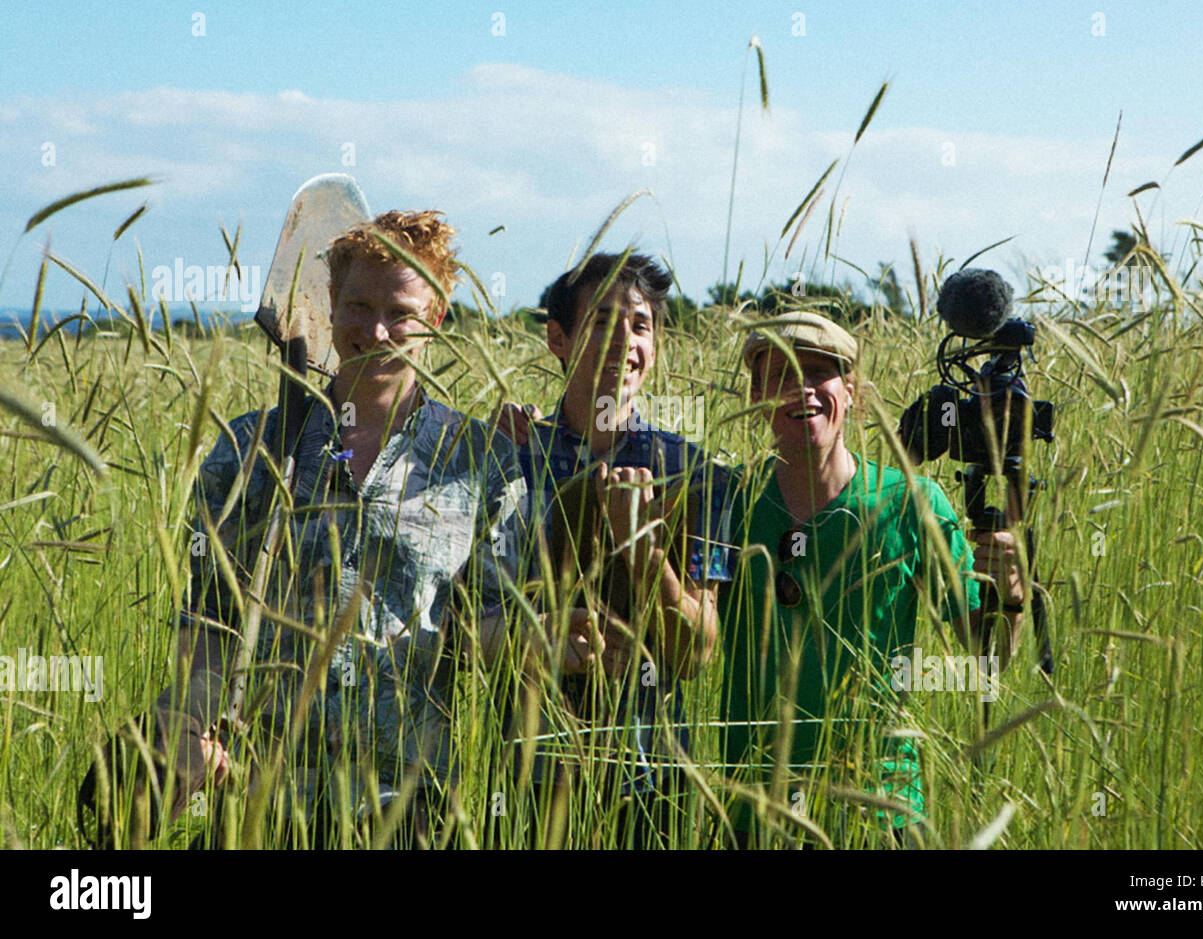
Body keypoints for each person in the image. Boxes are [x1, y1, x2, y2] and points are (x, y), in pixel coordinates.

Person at [80, 210, 527, 849]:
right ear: (327, 306)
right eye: (358, 305)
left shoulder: (480, 460)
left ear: (437, 320)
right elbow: (210, 619)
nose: (375, 330)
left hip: (410, 810)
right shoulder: (254, 446)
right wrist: (188, 731)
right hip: (260, 804)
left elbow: (490, 630)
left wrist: (560, 635)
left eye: (400, 312)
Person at [718, 309, 1025, 848]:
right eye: (781, 375)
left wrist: (1012, 599)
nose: (802, 390)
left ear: (852, 391)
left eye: (820, 373)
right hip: (755, 811)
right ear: (755, 393)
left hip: (880, 812)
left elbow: (987, 658)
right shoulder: (728, 504)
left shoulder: (912, 501)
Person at [496, 251, 732, 847]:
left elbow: (699, 652)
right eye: (600, 321)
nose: (623, 340)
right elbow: (467, 624)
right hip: (527, 783)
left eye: (641, 324)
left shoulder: (698, 476)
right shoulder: (506, 460)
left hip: (655, 785)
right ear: (558, 338)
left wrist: (643, 547)